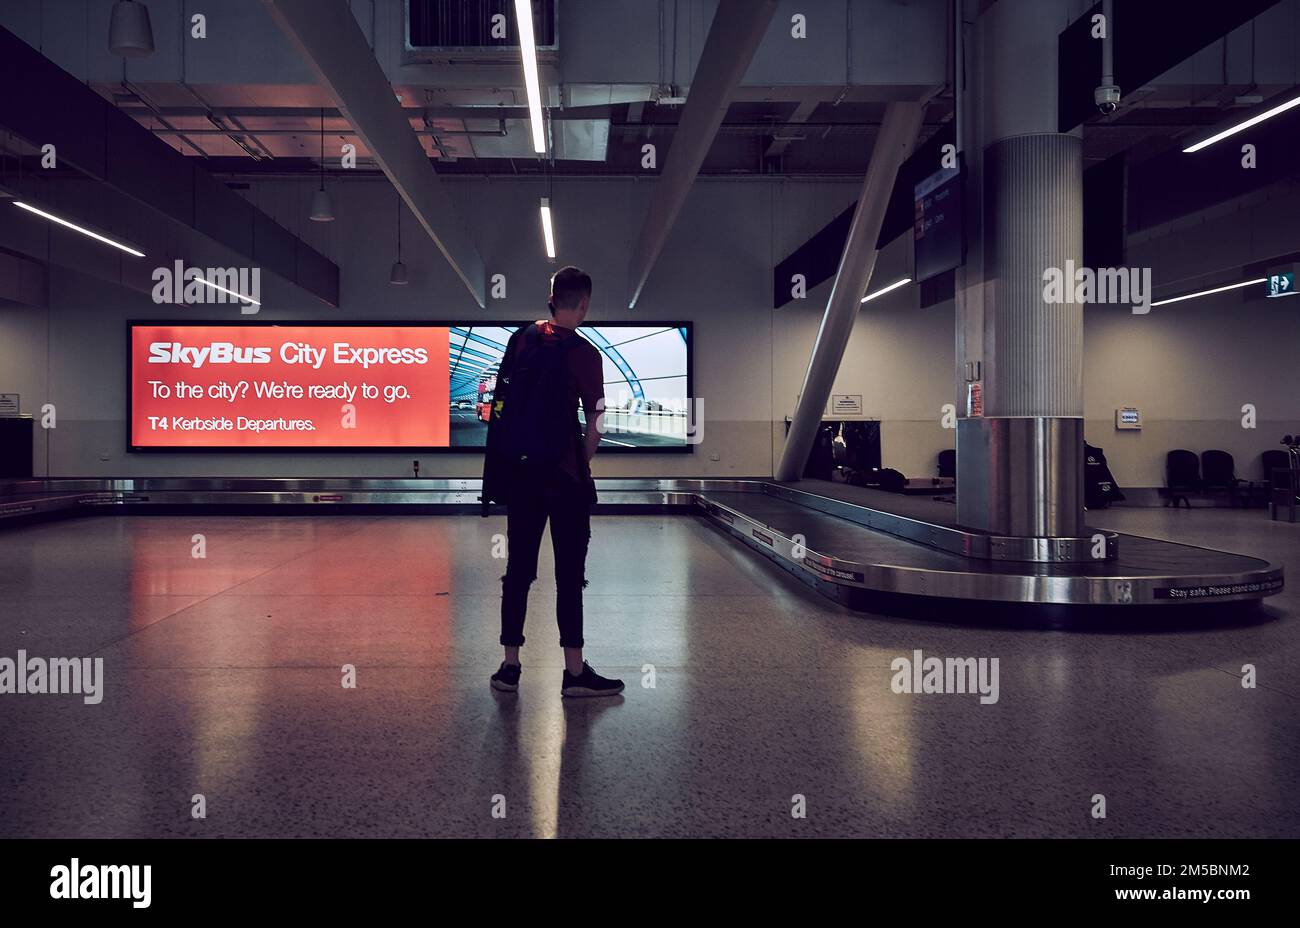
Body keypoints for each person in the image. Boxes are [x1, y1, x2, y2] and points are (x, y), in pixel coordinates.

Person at [483, 266, 624, 698]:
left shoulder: (519, 339)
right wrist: (579, 460)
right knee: (569, 575)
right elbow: (596, 421)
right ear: (583, 304)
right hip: (564, 480)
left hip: (522, 476)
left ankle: (510, 668)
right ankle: (574, 673)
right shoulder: (586, 354)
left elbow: (501, 403)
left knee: (518, 572)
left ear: (550, 297)